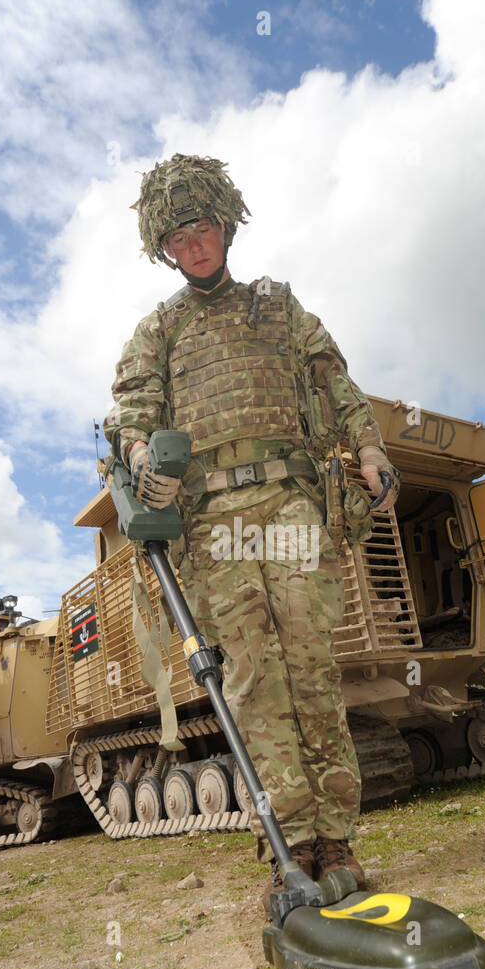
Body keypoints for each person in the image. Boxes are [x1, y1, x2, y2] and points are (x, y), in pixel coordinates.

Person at [103, 153, 399, 912]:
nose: (193, 244)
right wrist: (143, 464)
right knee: (252, 682)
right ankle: (288, 844)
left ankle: (336, 840)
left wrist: (369, 450)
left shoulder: (278, 306)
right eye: (177, 236)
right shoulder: (156, 331)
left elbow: (332, 377)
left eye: (201, 227)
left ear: (225, 225)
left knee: (311, 669)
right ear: (162, 248)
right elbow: (131, 414)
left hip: (290, 507)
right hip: (212, 526)